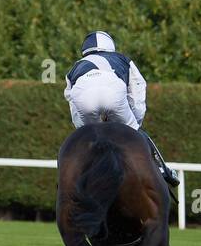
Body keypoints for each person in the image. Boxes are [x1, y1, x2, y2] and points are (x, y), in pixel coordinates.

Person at [64, 30, 179, 186]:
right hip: (114, 95)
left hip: (84, 100)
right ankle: (163, 170)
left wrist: (82, 128)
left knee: (89, 138)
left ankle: (73, 179)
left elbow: (72, 101)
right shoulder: (123, 59)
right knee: (136, 132)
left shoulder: (75, 67)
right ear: (110, 46)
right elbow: (138, 88)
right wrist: (136, 123)